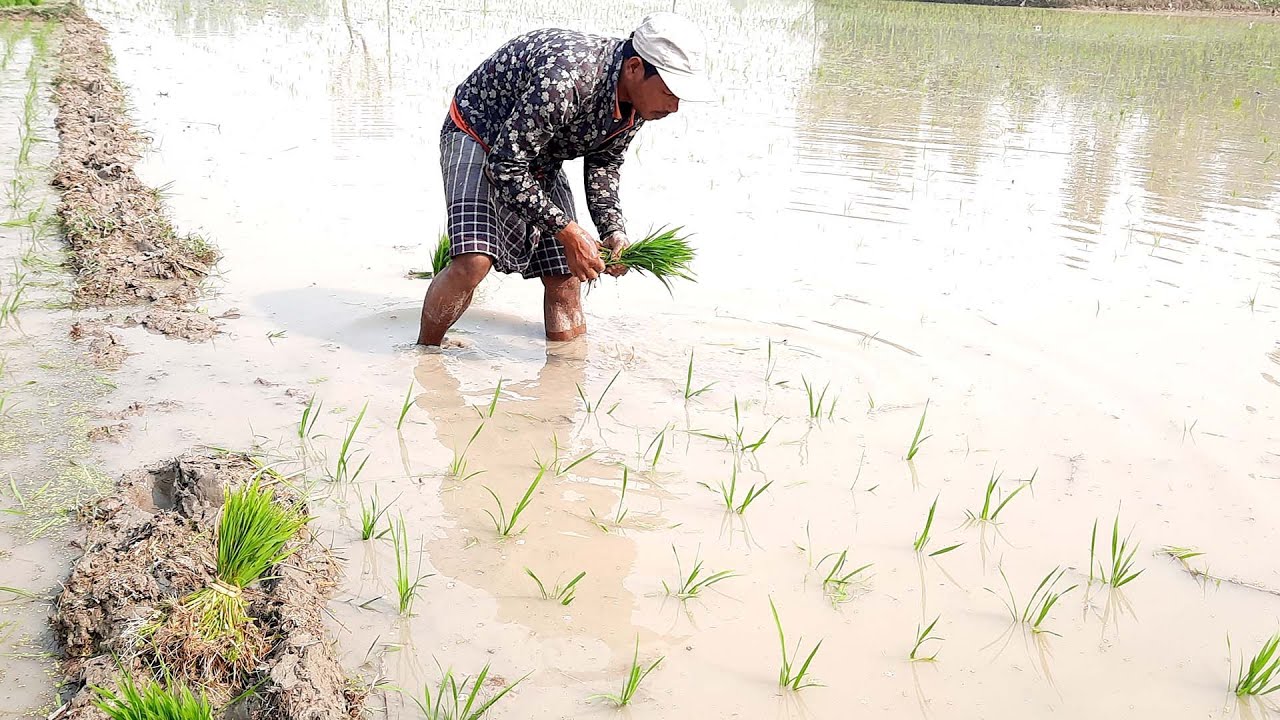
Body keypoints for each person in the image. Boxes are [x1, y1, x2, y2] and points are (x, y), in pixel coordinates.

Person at [416, 12, 713, 346]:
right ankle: (426, 359)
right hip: (480, 134)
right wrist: (570, 232)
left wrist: (613, 232)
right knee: (473, 261)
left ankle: (568, 374)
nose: (674, 107)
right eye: (670, 92)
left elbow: (604, 164)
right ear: (634, 68)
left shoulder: (638, 103)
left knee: (565, 273)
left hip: (538, 149)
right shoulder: (568, 80)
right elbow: (506, 165)